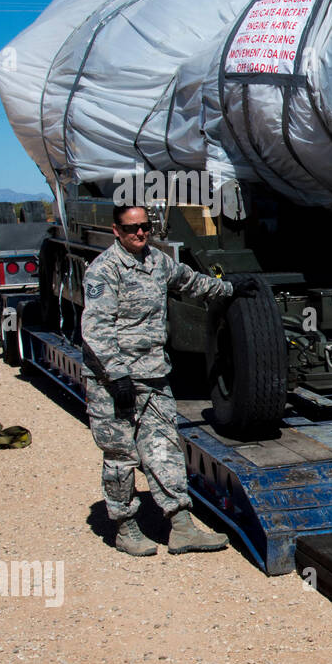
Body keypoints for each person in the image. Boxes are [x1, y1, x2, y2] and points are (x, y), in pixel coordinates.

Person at [81, 204, 255, 556]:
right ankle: (126, 527)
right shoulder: (105, 270)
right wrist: (117, 376)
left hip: (154, 376)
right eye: (132, 229)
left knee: (165, 449)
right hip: (113, 382)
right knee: (121, 455)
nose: (140, 233)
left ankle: (181, 525)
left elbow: (188, 281)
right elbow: (95, 331)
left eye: (145, 226)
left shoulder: (156, 261)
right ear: (117, 231)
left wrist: (230, 289)